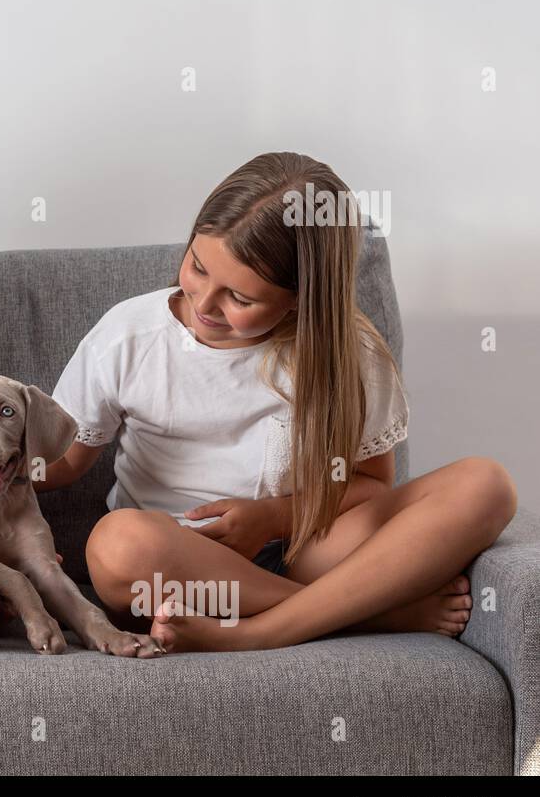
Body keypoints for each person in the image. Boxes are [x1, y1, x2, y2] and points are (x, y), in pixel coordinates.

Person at [37, 151, 517, 654]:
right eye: (197, 267)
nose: (203, 304)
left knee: (487, 484)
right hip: (179, 569)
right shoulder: (130, 334)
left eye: (240, 299)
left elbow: (372, 486)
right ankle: (362, 611)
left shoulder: (348, 354)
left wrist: (270, 518)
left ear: (301, 297)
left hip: (304, 549)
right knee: (115, 545)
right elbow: (67, 457)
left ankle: (262, 630)